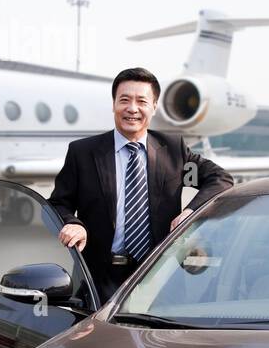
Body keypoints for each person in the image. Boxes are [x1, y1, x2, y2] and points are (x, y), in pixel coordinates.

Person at [48, 66, 234, 301]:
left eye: (141, 101)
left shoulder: (172, 151)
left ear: (154, 107)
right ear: (114, 104)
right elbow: (58, 203)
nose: (132, 109)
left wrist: (190, 212)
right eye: (124, 100)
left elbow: (220, 179)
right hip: (100, 278)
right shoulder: (83, 153)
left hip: (158, 273)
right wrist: (73, 223)